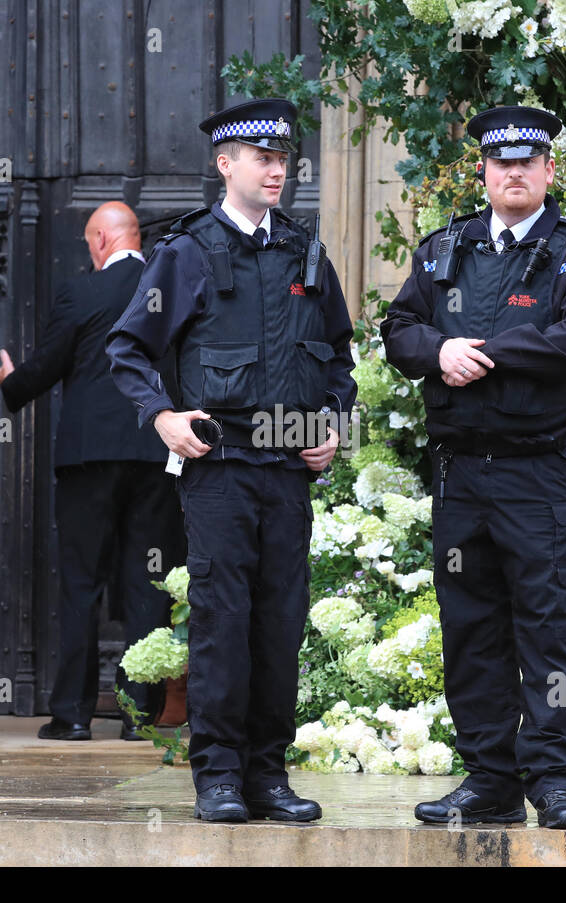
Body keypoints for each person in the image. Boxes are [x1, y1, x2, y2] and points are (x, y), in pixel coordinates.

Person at [106, 98, 356, 823]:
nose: (277, 170)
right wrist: (162, 414)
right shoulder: (187, 254)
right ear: (226, 165)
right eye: (262, 159)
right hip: (219, 471)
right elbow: (128, 347)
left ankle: (267, 776)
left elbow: (338, 355)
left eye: (284, 160)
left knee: (280, 620)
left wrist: (333, 425)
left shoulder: (306, 253)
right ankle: (218, 776)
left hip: (287, 471)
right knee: (222, 619)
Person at [380, 105, 566, 829]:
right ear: (483, 171)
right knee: (471, 628)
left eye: (528, 162)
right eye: (500, 162)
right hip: (462, 476)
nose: (513, 172)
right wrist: (437, 352)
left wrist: (479, 351)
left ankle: (555, 781)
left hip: (540, 472)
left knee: (552, 628)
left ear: (549, 171)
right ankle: (489, 778)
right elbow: (399, 329)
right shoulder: (444, 248)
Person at [0, 202, 184, 740]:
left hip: (88, 459)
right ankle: (140, 716)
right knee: (148, 582)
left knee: (81, 582)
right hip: (155, 450)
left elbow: (48, 365)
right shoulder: (167, 290)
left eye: (88, 242)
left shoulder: (81, 292)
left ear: (102, 239)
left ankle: (73, 715)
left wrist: (12, 380)